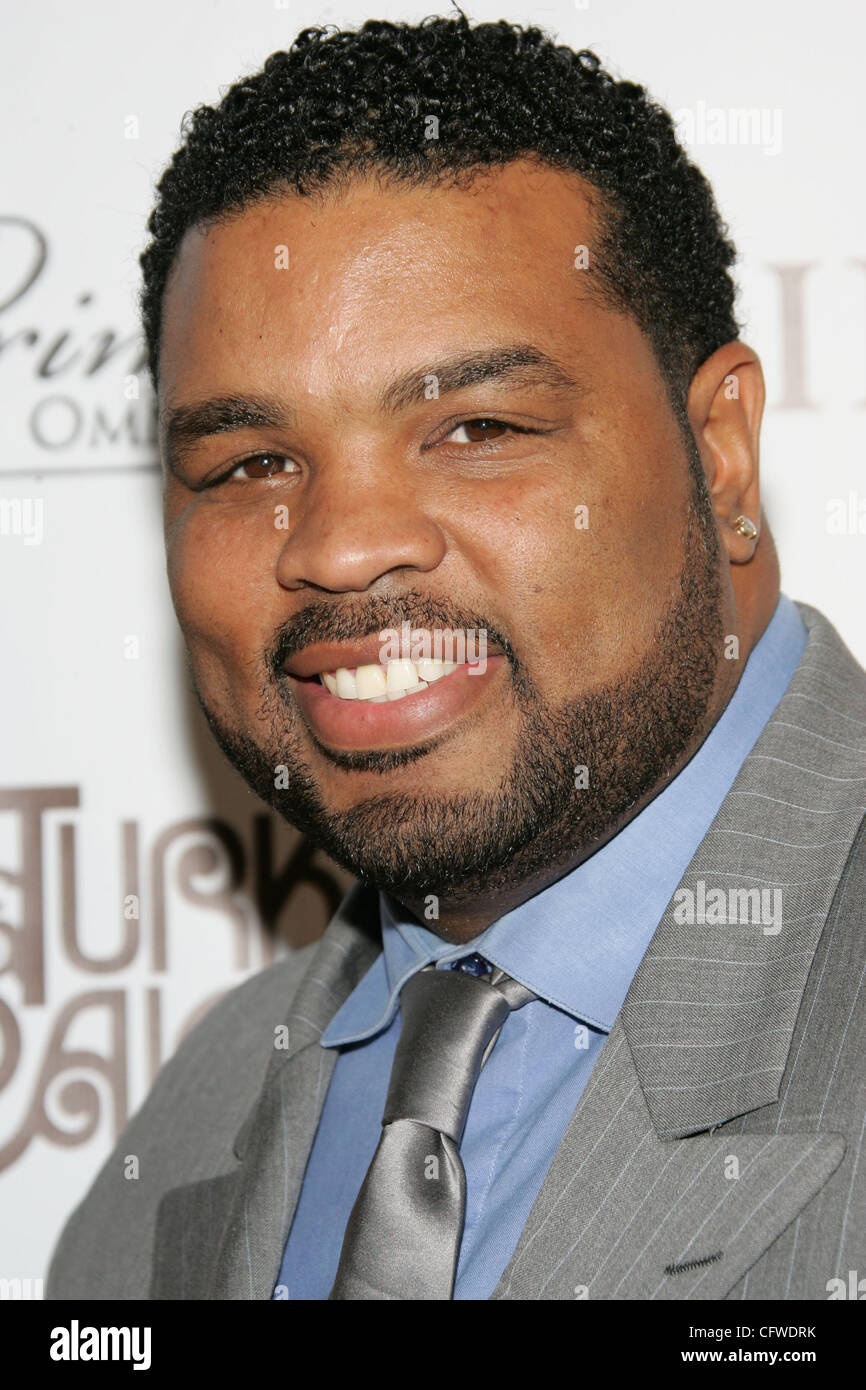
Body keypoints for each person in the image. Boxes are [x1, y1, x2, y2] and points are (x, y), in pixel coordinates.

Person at [47, 13, 866, 1300]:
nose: (341, 545)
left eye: (475, 426)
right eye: (250, 464)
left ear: (720, 453)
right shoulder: (181, 1145)